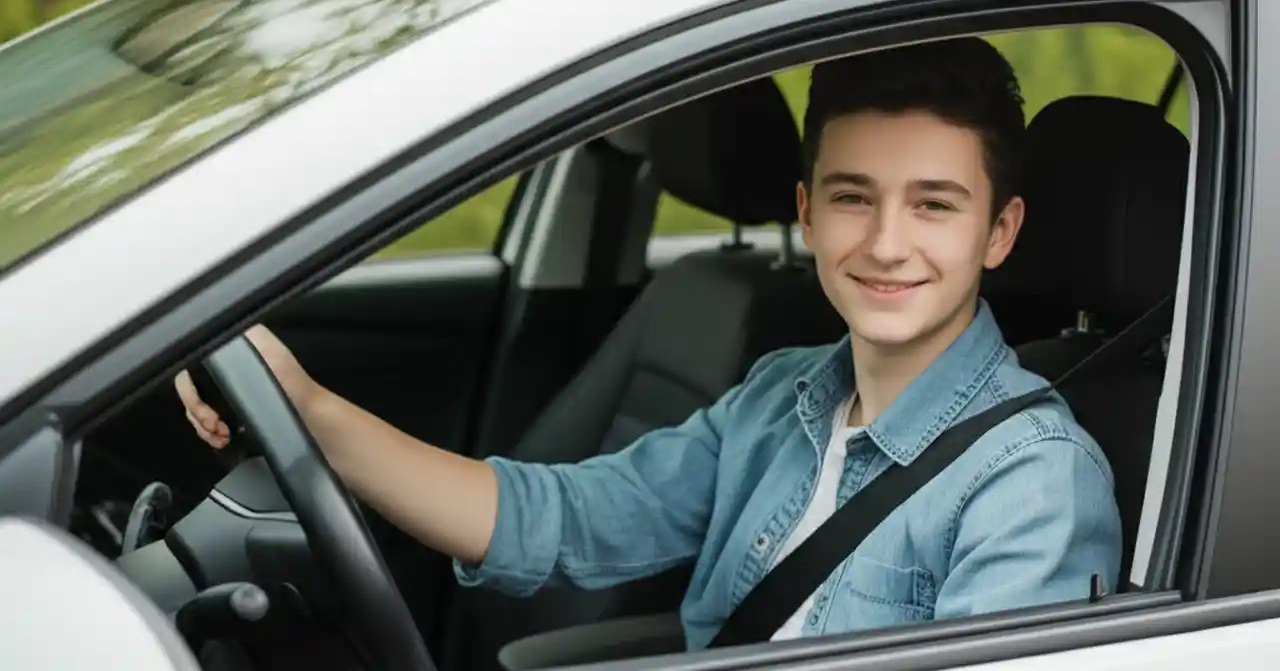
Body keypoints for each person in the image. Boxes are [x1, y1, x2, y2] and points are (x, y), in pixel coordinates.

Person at [177, 37, 1121, 648]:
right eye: (851, 197)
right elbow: (560, 517)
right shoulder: (779, 398)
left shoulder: (1033, 482)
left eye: (934, 205)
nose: (883, 242)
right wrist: (307, 411)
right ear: (805, 212)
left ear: (998, 233)